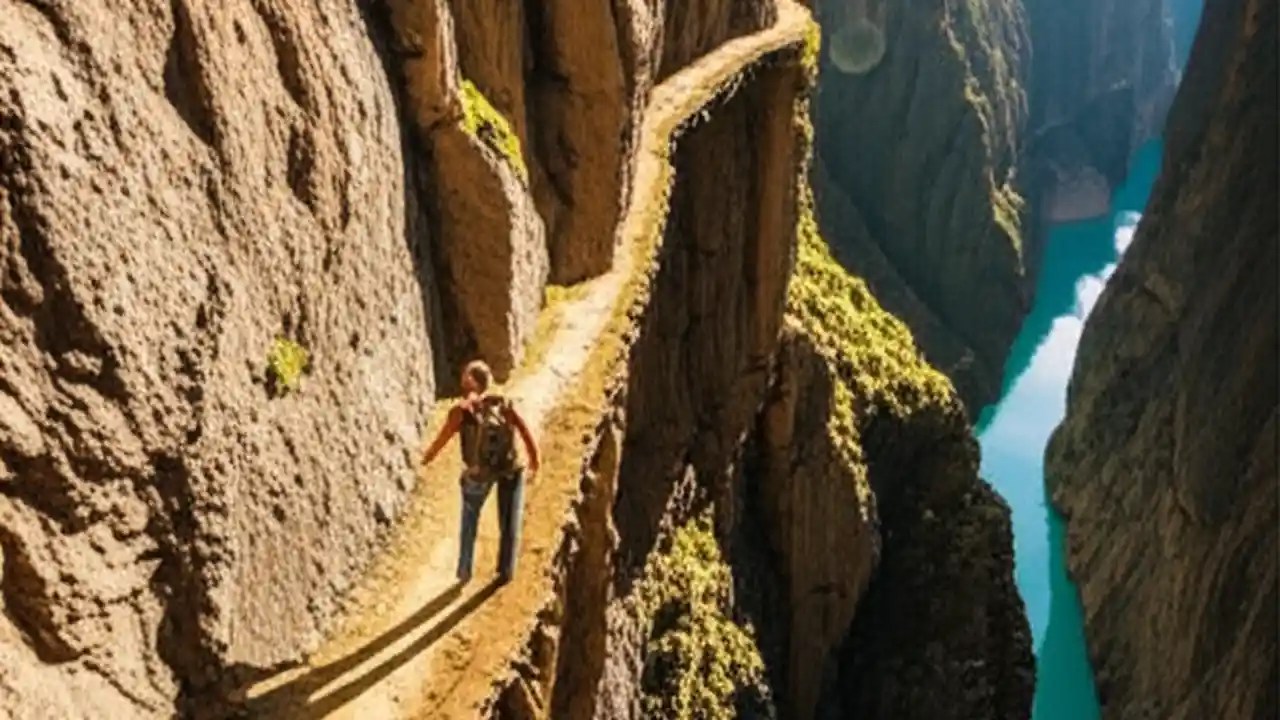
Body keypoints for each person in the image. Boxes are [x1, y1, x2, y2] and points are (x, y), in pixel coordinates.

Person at [421, 360, 539, 584]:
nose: (461, 378)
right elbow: (523, 430)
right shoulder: (503, 405)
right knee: (510, 522)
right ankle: (506, 571)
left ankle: (464, 571)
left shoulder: (462, 410)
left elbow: (442, 438)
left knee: (469, 523)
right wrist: (534, 459)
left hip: (478, 474)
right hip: (510, 468)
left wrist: (426, 458)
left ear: (471, 381)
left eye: (465, 374)